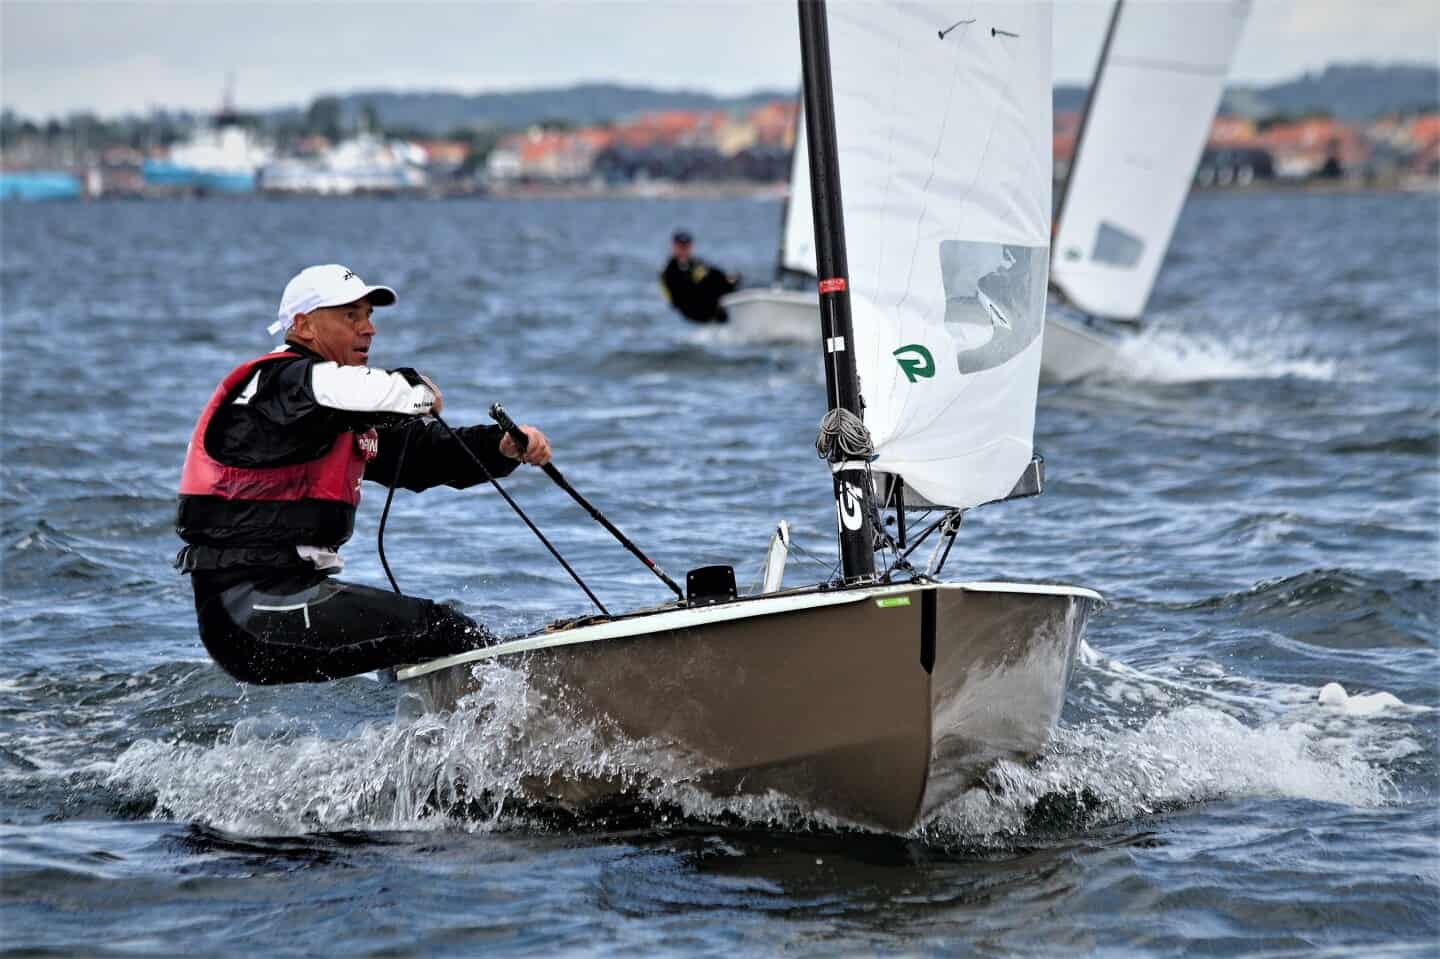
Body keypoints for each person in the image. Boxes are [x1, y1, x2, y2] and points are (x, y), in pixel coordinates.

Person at [175, 263, 552, 685]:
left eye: (369, 316)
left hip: (281, 604)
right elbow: (376, 392)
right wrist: (417, 390)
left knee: (421, 639)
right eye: (351, 315)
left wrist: (498, 447)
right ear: (304, 326)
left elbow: (420, 455)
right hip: (247, 609)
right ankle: (527, 712)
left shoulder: (332, 414)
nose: (368, 329)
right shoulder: (277, 384)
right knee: (440, 628)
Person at [658, 230, 741, 323]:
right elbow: (681, 295)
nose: (684, 249)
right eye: (680, 246)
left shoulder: (696, 264)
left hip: (709, 305)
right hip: (692, 310)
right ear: (673, 246)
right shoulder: (669, 271)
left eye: (686, 246)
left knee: (733, 281)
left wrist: (730, 279)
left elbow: (715, 274)